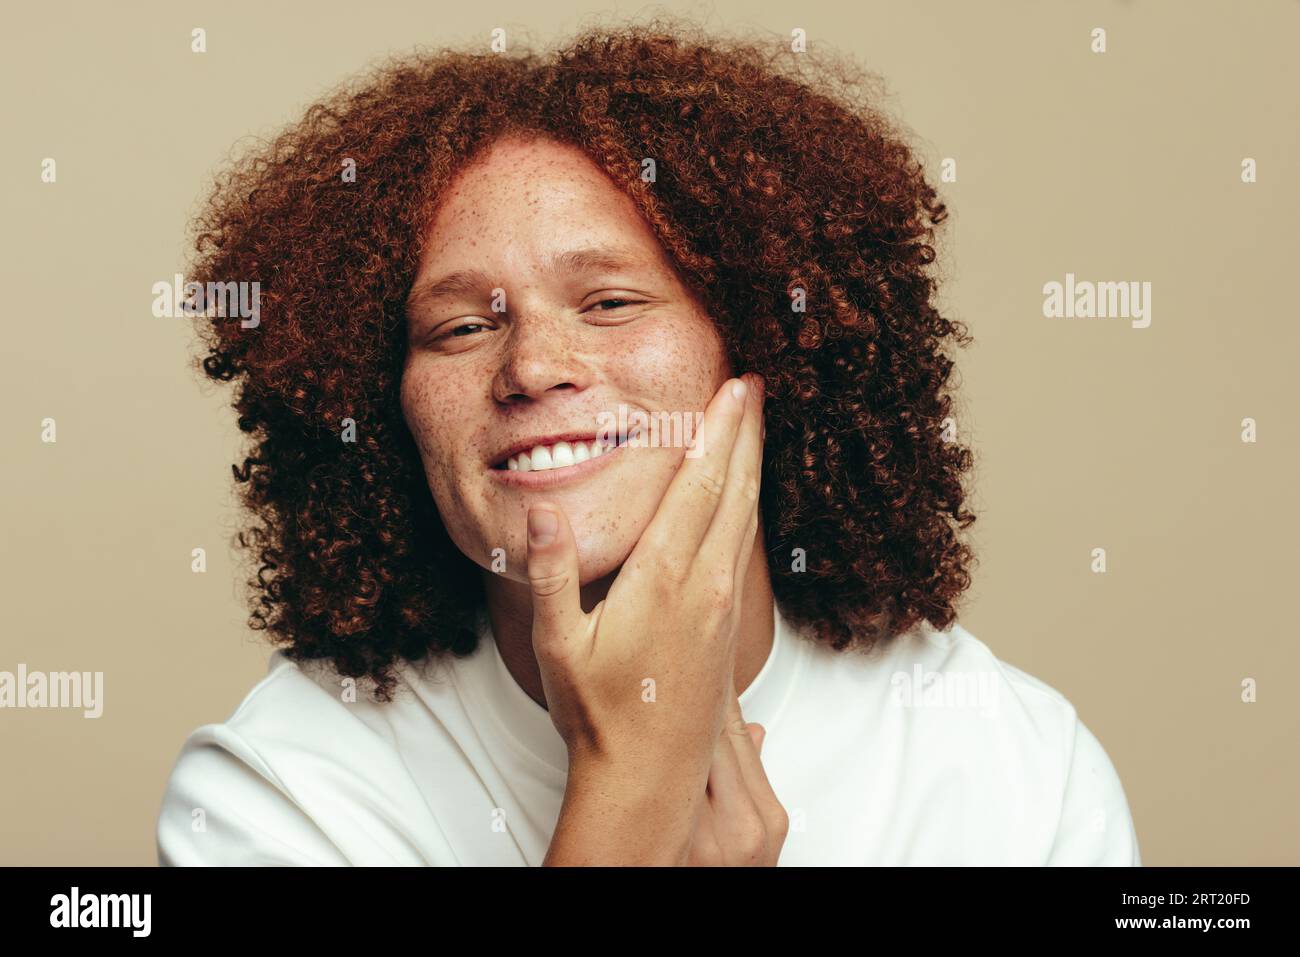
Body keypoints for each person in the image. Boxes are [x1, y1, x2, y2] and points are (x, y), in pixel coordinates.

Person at [156, 23, 1140, 866]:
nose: (534, 367)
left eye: (611, 302)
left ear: (764, 353)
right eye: (460, 327)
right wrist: (629, 798)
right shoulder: (281, 790)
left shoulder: (1011, 764)